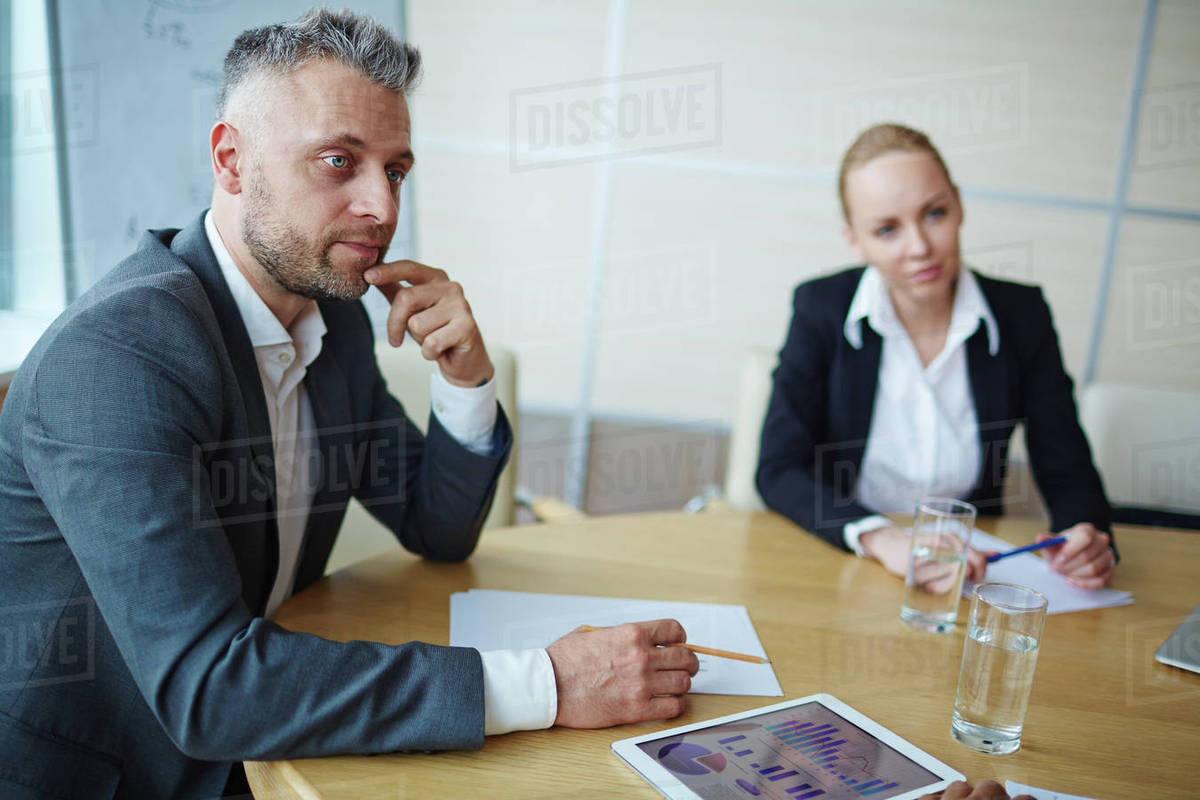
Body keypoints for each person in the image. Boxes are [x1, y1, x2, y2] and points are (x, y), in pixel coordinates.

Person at [0, 10, 696, 798]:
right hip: (121, 773)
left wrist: (465, 383)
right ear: (232, 161)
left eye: (395, 171)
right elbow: (209, 688)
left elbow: (437, 528)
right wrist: (548, 683)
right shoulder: (119, 356)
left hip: (279, 734)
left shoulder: (331, 316)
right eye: (339, 161)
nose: (383, 207)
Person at [756, 123, 1116, 590]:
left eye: (934, 214)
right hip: (848, 564)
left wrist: (1086, 534)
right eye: (887, 230)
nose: (920, 247)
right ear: (855, 241)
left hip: (972, 572)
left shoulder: (1021, 315)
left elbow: (1066, 464)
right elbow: (777, 469)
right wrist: (881, 539)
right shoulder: (820, 309)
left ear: (959, 205)